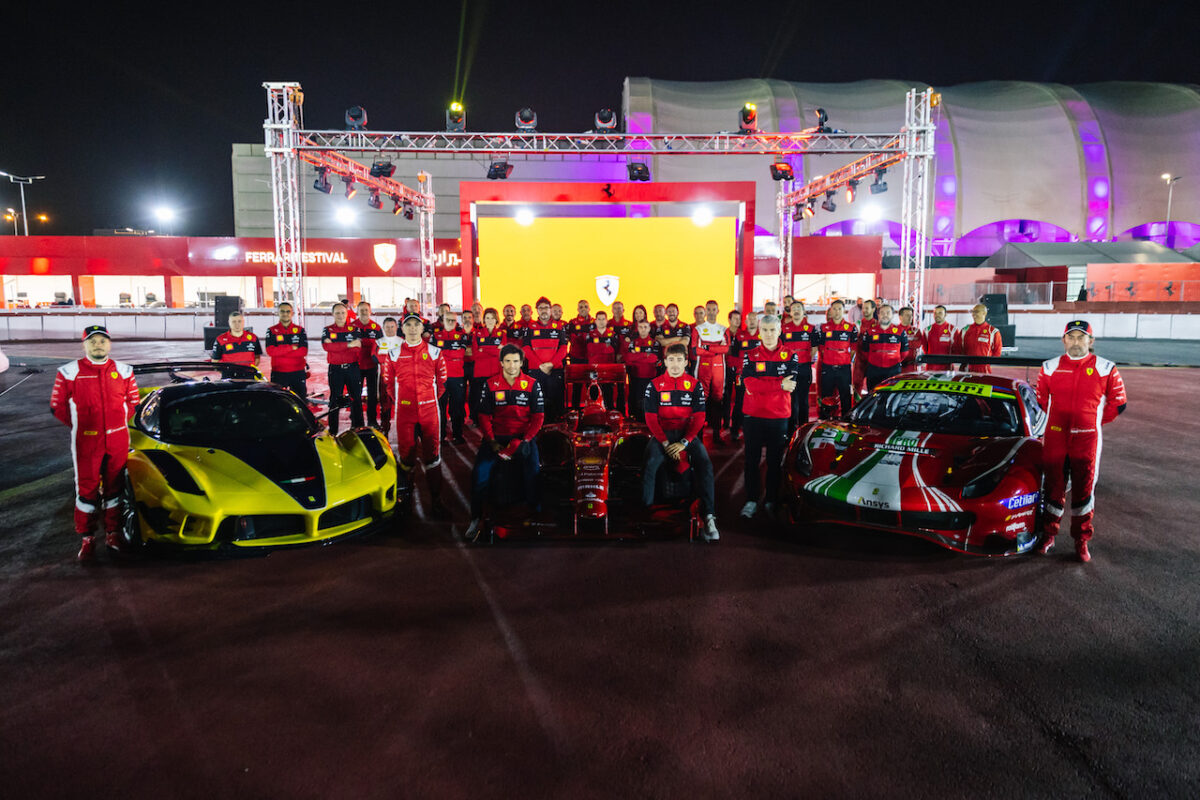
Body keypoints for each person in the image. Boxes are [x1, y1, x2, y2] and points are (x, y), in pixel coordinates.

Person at [1035, 320, 1128, 562]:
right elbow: (1042, 400)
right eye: (1071, 337)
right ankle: (1048, 535)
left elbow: (1119, 404)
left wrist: (1091, 423)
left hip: (1087, 440)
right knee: (1052, 488)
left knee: (1084, 490)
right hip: (1055, 438)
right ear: (1063, 340)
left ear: (1091, 341)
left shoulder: (1107, 368)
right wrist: (1061, 424)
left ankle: (1081, 540)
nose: (1076, 342)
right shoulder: (1049, 367)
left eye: (1081, 337)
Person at [50, 325, 140, 560]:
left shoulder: (124, 370)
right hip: (86, 441)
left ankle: (113, 533)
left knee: (115, 487)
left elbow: (133, 403)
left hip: (118, 438)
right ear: (85, 344)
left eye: (102, 340)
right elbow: (57, 407)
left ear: (109, 344)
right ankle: (87, 538)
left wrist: (115, 424)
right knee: (86, 489)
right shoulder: (68, 372)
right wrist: (85, 426)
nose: (98, 344)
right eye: (93, 341)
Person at [464, 344, 546, 540]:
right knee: (479, 474)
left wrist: (526, 440)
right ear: (501, 363)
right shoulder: (490, 384)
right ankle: (475, 518)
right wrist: (491, 441)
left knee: (533, 472)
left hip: (523, 438)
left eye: (516, 361)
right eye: (508, 361)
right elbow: (483, 416)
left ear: (521, 363)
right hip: (495, 438)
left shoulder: (533, 384)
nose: (512, 365)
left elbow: (538, 417)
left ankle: (535, 515)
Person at [642, 344, 719, 542]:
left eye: (679, 360)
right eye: (671, 360)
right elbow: (650, 419)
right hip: (663, 436)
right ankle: (646, 512)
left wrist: (685, 442)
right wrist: (666, 443)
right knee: (650, 463)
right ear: (665, 362)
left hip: (687, 436)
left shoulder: (695, 385)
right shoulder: (654, 385)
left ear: (686, 362)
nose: (675, 365)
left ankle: (709, 515)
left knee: (705, 465)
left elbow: (700, 418)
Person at [739, 314, 798, 519]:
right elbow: (749, 384)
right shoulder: (750, 355)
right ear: (759, 331)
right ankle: (751, 500)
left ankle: (772, 500)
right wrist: (778, 384)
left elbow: (789, 386)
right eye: (765, 330)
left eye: (773, 330)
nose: (769, 334)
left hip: (779, 416)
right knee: (751, 461)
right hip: (753, 416)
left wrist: (762, 386)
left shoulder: (791, 355)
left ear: (780, 330)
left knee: (774, 462)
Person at [391, 312, 449, 515]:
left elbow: (442, 383)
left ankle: (436, 501)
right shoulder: (393, 353)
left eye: (417, 325)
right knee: (406, 457)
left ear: (422, 329)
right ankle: (404, 499)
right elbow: (389, 385)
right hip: (405, 414)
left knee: (433, 457)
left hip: (429, 413)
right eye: (409, 325)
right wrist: (405, 402)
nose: (413, 328)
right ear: (403, 329)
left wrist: (426, 400)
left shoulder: (434, 352)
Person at [523, 296, 569, 420]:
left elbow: (564, 348)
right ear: (537, 310)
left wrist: (551, 364)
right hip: (536, 371)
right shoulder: (530, 327)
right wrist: (540, 365)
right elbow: (526, 348)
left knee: (557, 401)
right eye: (541, 308)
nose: (544, 310)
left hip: (555, 370)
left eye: (546, 308)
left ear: (550, 309)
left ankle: (557, 427)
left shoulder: (559, 326)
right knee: (537, 402)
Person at [321, 302, 363, 435]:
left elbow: (357, 347)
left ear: (347, 314)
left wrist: (337, 346)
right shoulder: (327, 330)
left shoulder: (354, 329)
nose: (340, 315)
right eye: (337, 313)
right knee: (334, 400)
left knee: (356, 399)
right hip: (336, 370)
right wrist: (348, 344)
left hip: (353, 368)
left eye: (343, 313)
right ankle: (333, 432)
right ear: (333, 314)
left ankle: (358, 429)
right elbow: (327, 347)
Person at [691, 299, 729, 444]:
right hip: (703, 367)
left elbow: (726, 349)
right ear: (705, 311)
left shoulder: (723, 329)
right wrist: (715, 349)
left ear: (718, 311)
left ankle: (716, 435)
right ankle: (698, 435)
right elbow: (696, 350)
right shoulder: (698, 329)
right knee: (701, 399)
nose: (712, 312)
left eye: (714, 309)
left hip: (719, 368)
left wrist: (707, 347)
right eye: (709, 309)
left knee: (718, 399)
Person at [431, 306, 468, 444]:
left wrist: (445, 352)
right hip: (441, 377)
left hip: (457, 377)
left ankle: (458, 434)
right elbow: (435, 356)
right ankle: (441, 436)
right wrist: (452, 353)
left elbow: (461, 354)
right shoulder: (436, 336)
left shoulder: (462, 335)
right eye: (448, 320)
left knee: (457, 407)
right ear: (443, 321)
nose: (451, 322)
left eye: (454, 320)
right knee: (440, 407)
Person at [781, 300, 818, 437]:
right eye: (793, 309)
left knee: (803, 401)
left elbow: (814, 349)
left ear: (803, 312)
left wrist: (805, 360)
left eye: (799, 308)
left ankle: (804, 431)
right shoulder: (784, 329)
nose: (796, 311)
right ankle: (790, 432)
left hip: (804, 368)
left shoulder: (811, 328)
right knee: (791, 401)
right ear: (790, 312)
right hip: (789, 370)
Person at [818, 300, 858, 418]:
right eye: (834, 309)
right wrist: (831, 358)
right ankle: (825, 421)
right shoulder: (823, 328)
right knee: (826, 396)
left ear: (844, 310)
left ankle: (846, 421)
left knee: (845, 396)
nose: (837, 311)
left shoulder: (851, 327)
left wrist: (843, 359)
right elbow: (821, 348)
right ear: (830, 310)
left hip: (844, 368)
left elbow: (854, 348)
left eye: (839, 309)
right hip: (828, 368)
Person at [728, 310, 761, 442]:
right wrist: (738, 372)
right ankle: (735, 430)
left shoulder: (763, 335)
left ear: (758, 321)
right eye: (749, 319)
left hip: (759, 377)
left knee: (758, 403)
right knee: (739, 402)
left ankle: (757, 431)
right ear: (745, 322)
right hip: (742, 375)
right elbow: (733, 356)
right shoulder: (739, 336)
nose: (752, 321)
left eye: (754, 319)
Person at [350, 301, 383, 427]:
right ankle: (356, 422)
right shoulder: (351, 327)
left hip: (371, 366)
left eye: (366, 310)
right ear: (357, 312)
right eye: (361, 310)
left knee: (372, 395)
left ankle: (372, 421)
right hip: (355, 366)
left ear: (370, 311)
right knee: (355, 395)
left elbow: (382, 346)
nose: (364, 312)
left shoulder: (376, 327)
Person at [862, 303, 908, 392]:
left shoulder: (900, 332)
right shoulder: (870, 332)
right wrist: (876, 360)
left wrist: (893, 361)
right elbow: (865, 352)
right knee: (873, 395)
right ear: (878, 315)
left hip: (893, 370)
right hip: (874, 370)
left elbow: (904, 352)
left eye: (888, 313)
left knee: (892, 397)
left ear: (892, 315)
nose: (885, 315)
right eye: (882, 313)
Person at [265, 301, 308, 397]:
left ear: (292, 313)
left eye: (288, 311)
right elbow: (270, 351)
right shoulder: (271, 330)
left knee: (300, 401)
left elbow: (303, 351)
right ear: (278, 313)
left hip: (297, 372)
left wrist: (280, 351)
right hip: (278, 373)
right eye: (282, 311)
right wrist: (291, 347)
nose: (285, 314)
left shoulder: (300, 330)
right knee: (278, 402)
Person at [472, 308, 507, 422]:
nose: (490, 320)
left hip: (496, 372)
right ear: (484, 320)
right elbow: (475, 354)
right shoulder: (477, 334)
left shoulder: (502, 334)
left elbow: (501, 354)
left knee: (497, 397)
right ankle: (478, 421)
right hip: (480, 372)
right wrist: (494, 350)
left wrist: (484, 350)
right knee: (480, 398)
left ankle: (496, 419)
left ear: (496, 319)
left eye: (492, 318)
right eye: (487, 318)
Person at [623, 319, 661, 421]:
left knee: (649, 400)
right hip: (636, 376)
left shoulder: (655, 343)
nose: (643, 329)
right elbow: (628, 359)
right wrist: (646, 356)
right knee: (635, 399)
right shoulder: (633, 343)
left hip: (650, 377)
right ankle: (636, 419)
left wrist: (637, 357)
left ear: (649, 328)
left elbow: (654, 359)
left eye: (645, 327)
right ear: (637, 329)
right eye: (640, 327)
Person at [955, 303, 1002, 373]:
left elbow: (997, 352)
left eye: (976, 312)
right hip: (966, 369)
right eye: (973, 312)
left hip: (984, 370)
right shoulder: (965, 330)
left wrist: (986, 363)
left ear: (984, 313)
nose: (973, 314)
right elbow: (958, 349)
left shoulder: (993, 332)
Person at [376, 317, 402, 436]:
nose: (390, 329)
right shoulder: (378, 342)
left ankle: (406, 431)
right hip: (385, 380)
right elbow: (375, 357)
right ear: (383, 328)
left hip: (401, 380)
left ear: (396, 327)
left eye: (392, 326)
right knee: (385, 406)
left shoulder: (403, 342)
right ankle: (385, 428)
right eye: (387, 327)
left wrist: (386, 357)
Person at [722, 309, 743, 435]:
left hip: (739, 371)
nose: (737, 321)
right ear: (729, 320)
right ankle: (725, 423)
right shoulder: (723, 333)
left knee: (739, 398)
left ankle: (737, 423)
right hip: (726, 368)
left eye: (739, 319)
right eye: (735, 319)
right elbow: (725, 351)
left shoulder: (743, 334)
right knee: (726, 397)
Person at [852, 298, 877, 397]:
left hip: (873, 362)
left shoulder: (878, 325)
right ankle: (856, 409)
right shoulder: (857, 325)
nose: (864, 310)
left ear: (873, 309)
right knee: (857, 386)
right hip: (860, 361)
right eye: (863, 308)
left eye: (867, 308)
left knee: (873, 387)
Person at [898, 306, 925, 373]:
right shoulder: (894, 330)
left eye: (911, 315)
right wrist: (910, 342)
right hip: (897, 365)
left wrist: (903, 343)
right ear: (900, 317)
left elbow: (918, 344)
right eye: (907, 315)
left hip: (911, 365)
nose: (910, 317)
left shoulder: (916, 330)